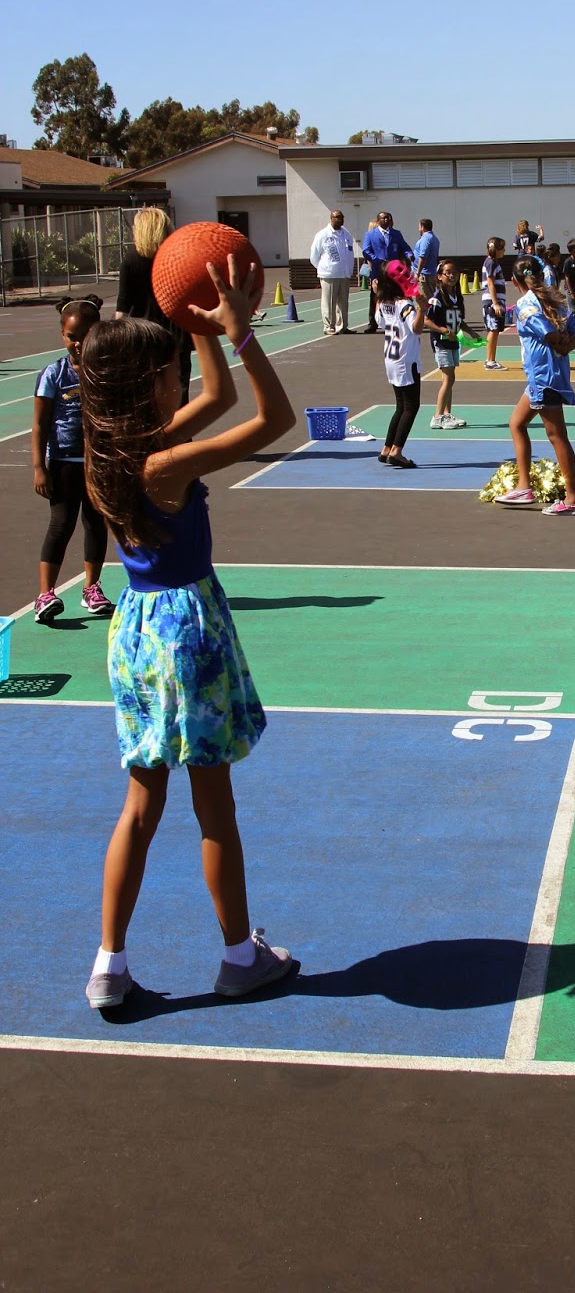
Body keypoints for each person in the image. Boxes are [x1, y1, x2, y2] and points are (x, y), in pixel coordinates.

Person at [78, 255, 297, 1009]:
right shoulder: (164, 464)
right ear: (149, 389)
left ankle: (109, 966)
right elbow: (272, 418)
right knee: (214, 806)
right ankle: (241, 956)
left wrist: (197, 324)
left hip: (137, 632)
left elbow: (217, 397)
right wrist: (241, 335)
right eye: (170, 368)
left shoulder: (111, 453)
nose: (181, 377)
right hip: (186, 632)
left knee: (140, 805)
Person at [32, 296, 114, 625]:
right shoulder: (54, 373)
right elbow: (39, 424)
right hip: (63, 461)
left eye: (85, 335)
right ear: (62, 335)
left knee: (96, 523)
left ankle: (91, 588)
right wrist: (39, 467)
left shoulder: (106, 371)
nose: (78, 344)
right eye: (72, 337)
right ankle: (45, 594)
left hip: (98, 462)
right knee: (61, 524)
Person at [494, 257, 575, 515]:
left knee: (557, 435)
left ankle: (573, 499)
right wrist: (566, 345)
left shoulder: (525, 305)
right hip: (547, 376)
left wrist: (559, 343)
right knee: (517, 423)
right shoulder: (555, 299)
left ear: (514, 281)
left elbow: (549, 333)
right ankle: (524, 487)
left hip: (543, 376)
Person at [116, 206, 192, 400]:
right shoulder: (177, 257)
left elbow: (123, 306)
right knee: (178, 392)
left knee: (146, 393)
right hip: (176, 332)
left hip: (144, 333)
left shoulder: (131, 259)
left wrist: (118, 340)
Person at [374, 260, 427, 467]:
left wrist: (377, 294)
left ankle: (387, 447)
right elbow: (416, 328)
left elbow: (379, 321)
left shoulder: (385, 302)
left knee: (401, 405)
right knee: (412, 407)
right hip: (406, 359)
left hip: (391, 358)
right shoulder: (404, 304)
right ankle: (397, 451)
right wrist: (421, 310)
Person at [425, 260, 474, 428]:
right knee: (448, 378)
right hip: (442, 342)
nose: (452, 276)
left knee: (450, 378)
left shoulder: (457, 297)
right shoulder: (437, 298)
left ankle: (446, 414)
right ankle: (437, 417)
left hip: (454, 343)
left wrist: (471, 332)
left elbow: (459, 321)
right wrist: (444, 331)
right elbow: (427, 321)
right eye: (448, 273)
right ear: (439, 276)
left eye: (455, 272)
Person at [360, 211, 413, 333]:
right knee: (376, 295)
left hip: (394, 270)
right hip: (379, 270)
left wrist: (409, 254)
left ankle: (396, 320)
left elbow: (404, 247)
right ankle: (372, 323)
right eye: (383, 218)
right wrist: (377, 260)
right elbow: (366, 251)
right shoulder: (370, 235)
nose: (386, 220)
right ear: (378, 220)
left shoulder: (396, 234)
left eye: (388, 218)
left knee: (395, 294)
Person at [309, 209, 356, 335]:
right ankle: (329, 326)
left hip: (344, 273)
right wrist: (324, 268)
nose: (341, 220)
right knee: (329, 301)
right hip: (329, 273)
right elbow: (314, 256)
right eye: (338, 217)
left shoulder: (346, 234)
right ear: (331, 218)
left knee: (343, 302)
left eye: (342, 217)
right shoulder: (323, 235)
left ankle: (343, 326)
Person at [481, 236, 508, 370]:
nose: (504, 250)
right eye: (502, 248)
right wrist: (495, 303)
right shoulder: (491, 262)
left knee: (496, 330)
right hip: (492, 302)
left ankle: (492, 359)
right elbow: (490, 283)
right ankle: (490, 360)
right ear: (496, 249)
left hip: (496, 300)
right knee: (493, 329)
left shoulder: (494, 262)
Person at [411, 217, 440, 297]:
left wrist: (418, 273)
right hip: (429, 273)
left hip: (424, 275)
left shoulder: (426, 239)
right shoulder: (434, 238)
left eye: (419, 227)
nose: (418, 229)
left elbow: (423, 256)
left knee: (425, 298)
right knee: (430, 296)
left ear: (423, 227)